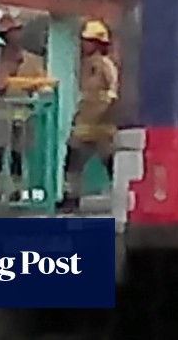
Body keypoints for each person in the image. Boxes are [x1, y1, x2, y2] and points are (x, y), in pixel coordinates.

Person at [59, 20, 119, 212]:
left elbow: (113, 91)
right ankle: (71, 198)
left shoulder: (105, 65)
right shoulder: (84, 65)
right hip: (85, 121)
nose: (84, 44)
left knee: (111, 164)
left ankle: (120, 198)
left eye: (88, 41)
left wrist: (107, 111)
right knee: (72, 162)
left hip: (102, 124)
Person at [0, 14, 48, 202]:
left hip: (24, 114)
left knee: (18, 154)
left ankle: (17, 189)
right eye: (9, 33)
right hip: (1, 112)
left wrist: (42, 93)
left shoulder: (31, 60)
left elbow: (42, 84)